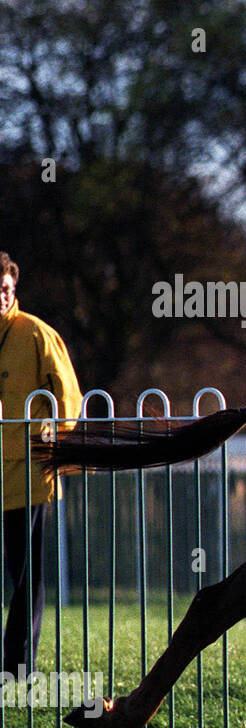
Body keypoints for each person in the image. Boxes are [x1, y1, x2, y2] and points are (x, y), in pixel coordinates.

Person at [0, 252, 82, 683]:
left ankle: (17, 669)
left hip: (28, 473)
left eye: (5, 290)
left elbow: (67, 397)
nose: (0, 297)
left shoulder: (35, 333)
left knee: (25, 575)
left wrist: (52, 452)